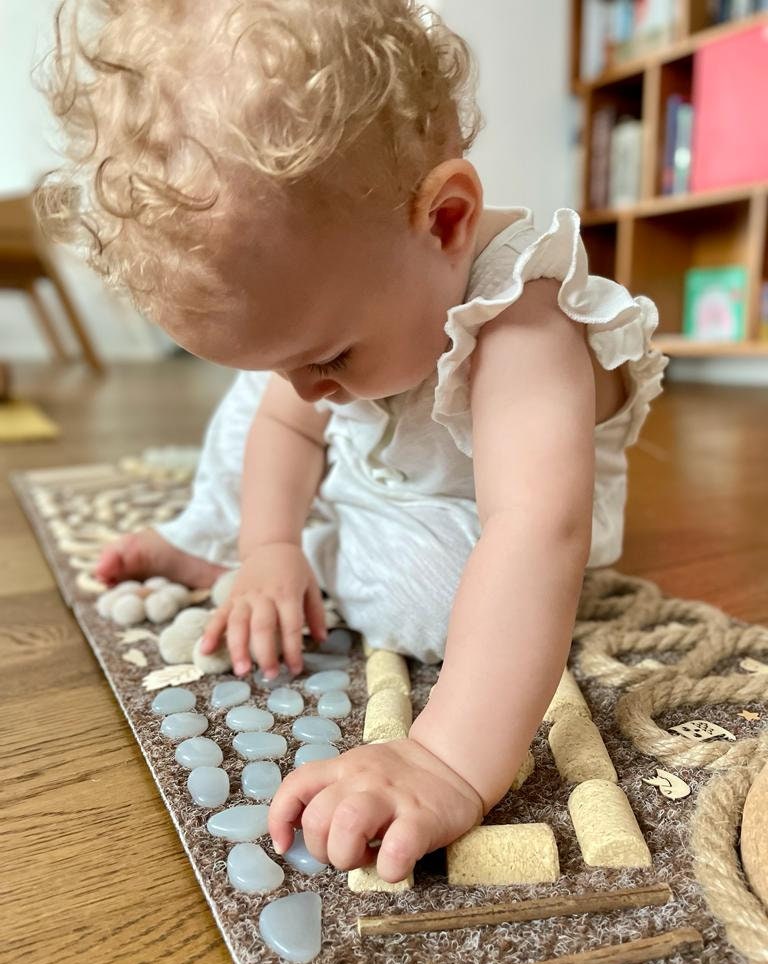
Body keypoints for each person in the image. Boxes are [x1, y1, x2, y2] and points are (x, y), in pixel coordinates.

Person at [36, 0, 666, 883]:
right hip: (368, 481)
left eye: (327, 354)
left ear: (446, 221)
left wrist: (446, 757)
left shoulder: (523, 316)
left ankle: (295, 557)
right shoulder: (347, 309)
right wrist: (269, 545)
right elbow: (289, 417)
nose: (305, 388)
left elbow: (534, 531)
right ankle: (227, 548)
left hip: (472, 519)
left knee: (430, 605)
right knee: (252, 422)